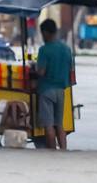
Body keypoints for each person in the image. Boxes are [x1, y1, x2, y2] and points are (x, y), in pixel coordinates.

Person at [31, 18, 73, 150]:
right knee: (59, 124)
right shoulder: (66, 49)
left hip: (47, 90)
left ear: (46, 33)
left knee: (48, 125)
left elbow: (41, 72)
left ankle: (52, 152)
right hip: (61, 90)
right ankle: (63, 150)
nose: (42, 36)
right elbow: (70, 70)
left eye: (42, 33)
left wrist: (34, 71)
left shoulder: (44, 50)